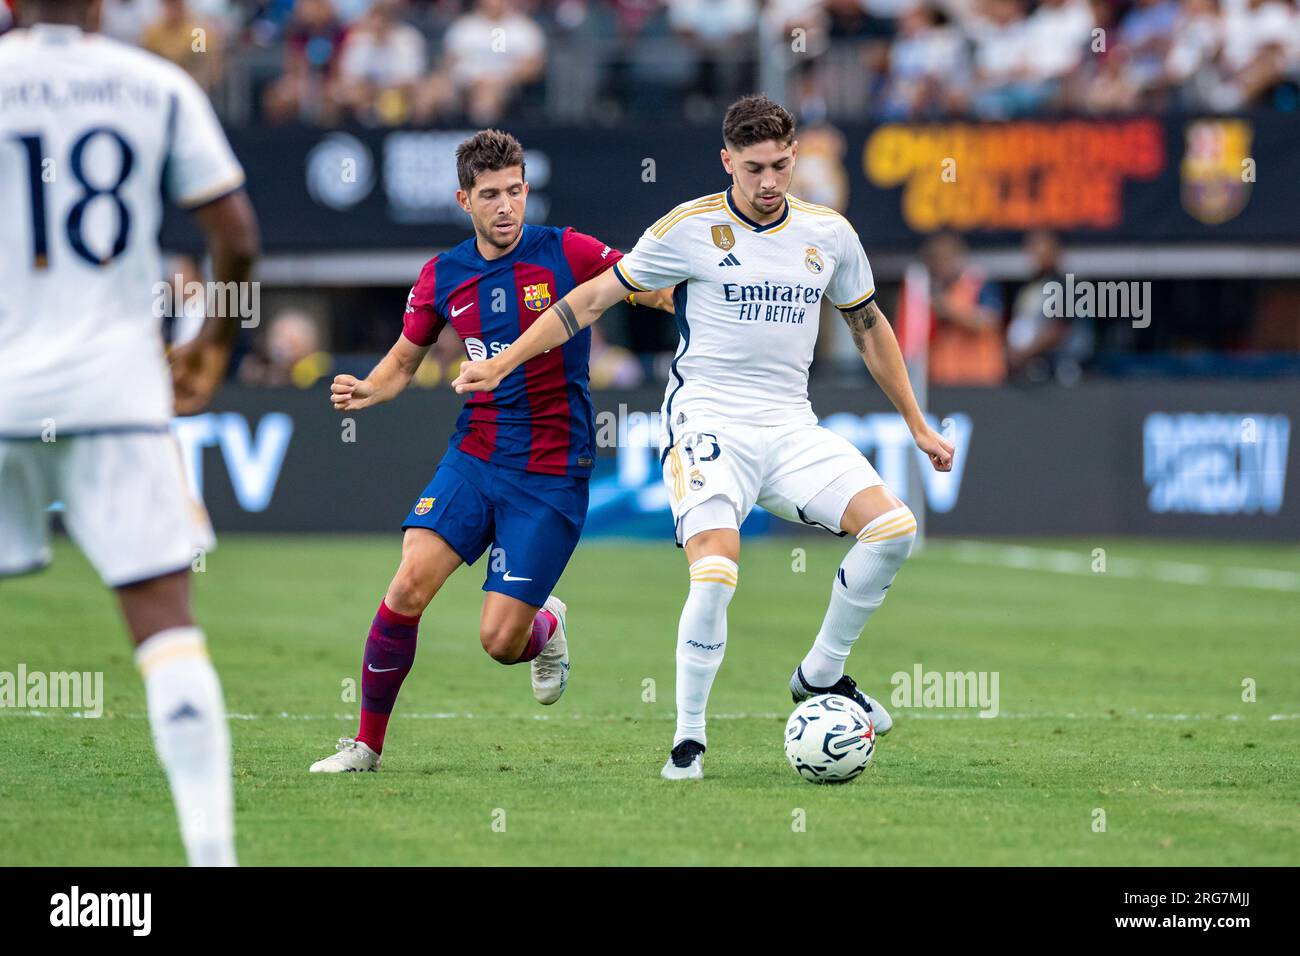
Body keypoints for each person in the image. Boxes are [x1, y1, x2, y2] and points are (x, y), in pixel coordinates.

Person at [453, 95, 954, 780]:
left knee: (893, 529)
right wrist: (504, 361)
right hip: (707, 424)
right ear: (728, 163)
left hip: (791, 427)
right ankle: (688, 741)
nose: (770, 181)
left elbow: (868, 326)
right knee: (717, 572)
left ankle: (820, 674)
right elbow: (589, 300)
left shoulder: (829, 234)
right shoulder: (689, 228)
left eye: (781, 165)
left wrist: (916, 422)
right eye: (754, 168)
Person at [309, 129, 672, 773]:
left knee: (501, 642)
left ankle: (545, 628)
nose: (506, 206)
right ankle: (366, 745)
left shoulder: (569, 251)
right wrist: (370, 387)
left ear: (527, 190)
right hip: (475, 456)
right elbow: (402, 360)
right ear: (464, 201)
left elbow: (644, 283)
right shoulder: (443, 275)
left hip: (552, 471)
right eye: (490, 195)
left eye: (514, 191)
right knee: (409, 581)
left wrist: (687, 291)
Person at [0, 0, 260, 864]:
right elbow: (235, 235)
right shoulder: (153, 84)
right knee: (164, 624)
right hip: (117, 385)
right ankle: (212, 855)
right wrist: (212, 348)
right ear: (103, 5)